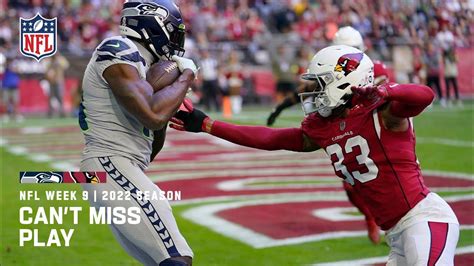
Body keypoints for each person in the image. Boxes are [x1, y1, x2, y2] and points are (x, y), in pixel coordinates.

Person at [172, 45, 459, 265]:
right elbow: (271, 138)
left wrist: (386, 91)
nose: (314, 92)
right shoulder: (325, 127)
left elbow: (424, 95)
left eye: (321, 83)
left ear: (345, 81)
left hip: (423, 218)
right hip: (396, 232)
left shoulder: (383, 113)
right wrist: (209, 124)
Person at [79, 1, 197, 265]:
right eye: (172, 31)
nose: (177, 40)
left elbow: (151, 144)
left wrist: (171, 102)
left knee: (163, 261)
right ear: (153, 26)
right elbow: (152, 115)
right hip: (109, 163)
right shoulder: (119, 49)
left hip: (118, 167)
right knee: (177, 259)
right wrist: (186, 76)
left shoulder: (142, 62)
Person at [267, 26, 386, 244]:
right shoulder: (333, 67)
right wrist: (280, 107)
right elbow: (310, 87)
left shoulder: (374, 69)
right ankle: (371, 218)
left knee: (384, 180)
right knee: (350, 182)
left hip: (375, 133)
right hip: (345, 132)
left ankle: (386, 220)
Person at [44, 52, 69, 117]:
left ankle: (62, 112)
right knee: (51, 97)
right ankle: (50, 113)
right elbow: (45, 68)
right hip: (51, 81)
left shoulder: (60, 59)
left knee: (60, 97)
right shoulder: (49, 60)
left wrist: (58, 60)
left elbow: (66, 66)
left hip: (59, 81)